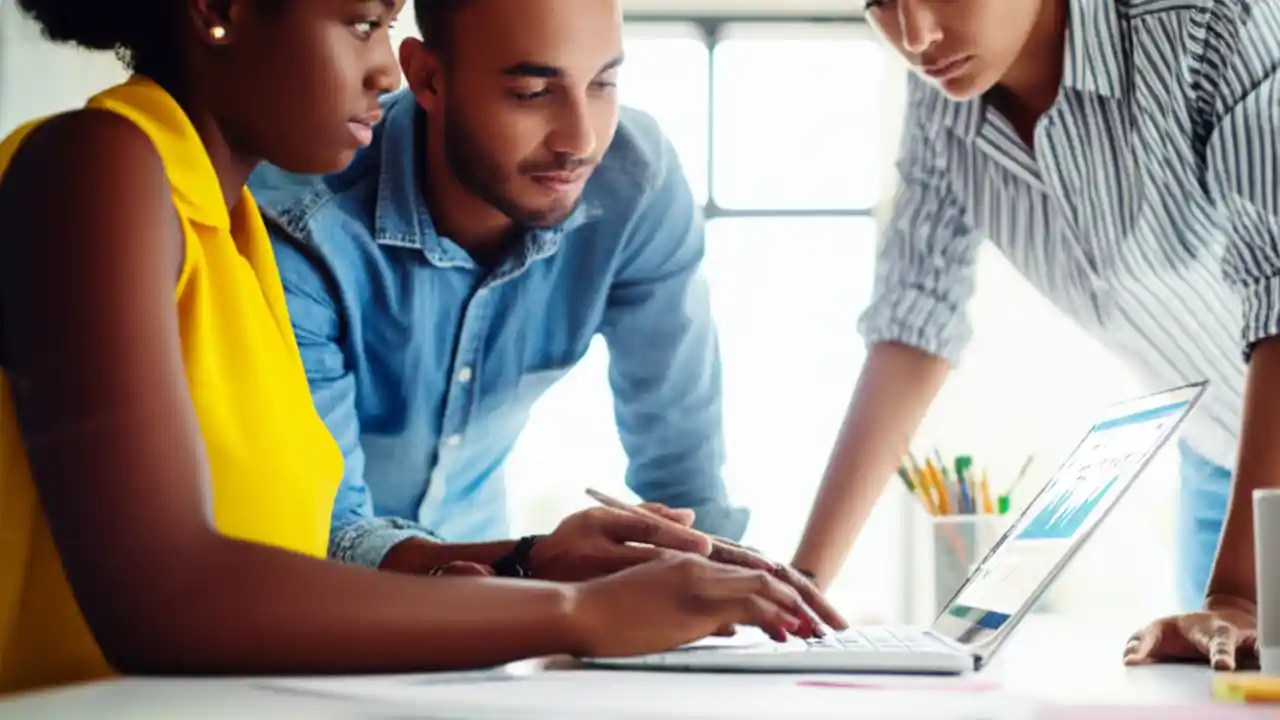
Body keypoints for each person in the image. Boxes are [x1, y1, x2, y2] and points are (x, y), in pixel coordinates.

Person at [0, 0, 828, 696]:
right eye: (362, 23)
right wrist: (575, 610)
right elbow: (161, 600)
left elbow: (292, 561)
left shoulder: (235, 234)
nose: (387, 74)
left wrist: (529, 559)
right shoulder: (95, 166)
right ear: (219, 10)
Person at [247, 0, 825, 596]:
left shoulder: (633, 183)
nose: (582, 139)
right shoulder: (303, 221)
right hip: (313, 611)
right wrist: (533, 565)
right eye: (531, 92)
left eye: (603, 82)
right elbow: (328, 530)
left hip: (490, 602)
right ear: (426, 78)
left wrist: (726, 581)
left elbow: (684, 471)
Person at [788, 0, 1278, 671]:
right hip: (1220, 459)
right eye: (880, 3)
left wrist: (1238, 597)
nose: (915, 36)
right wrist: (799, 591)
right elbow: (915, 314)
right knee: (1212, 690)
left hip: (1262, 459)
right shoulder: (943, 101)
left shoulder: (1212, 22)